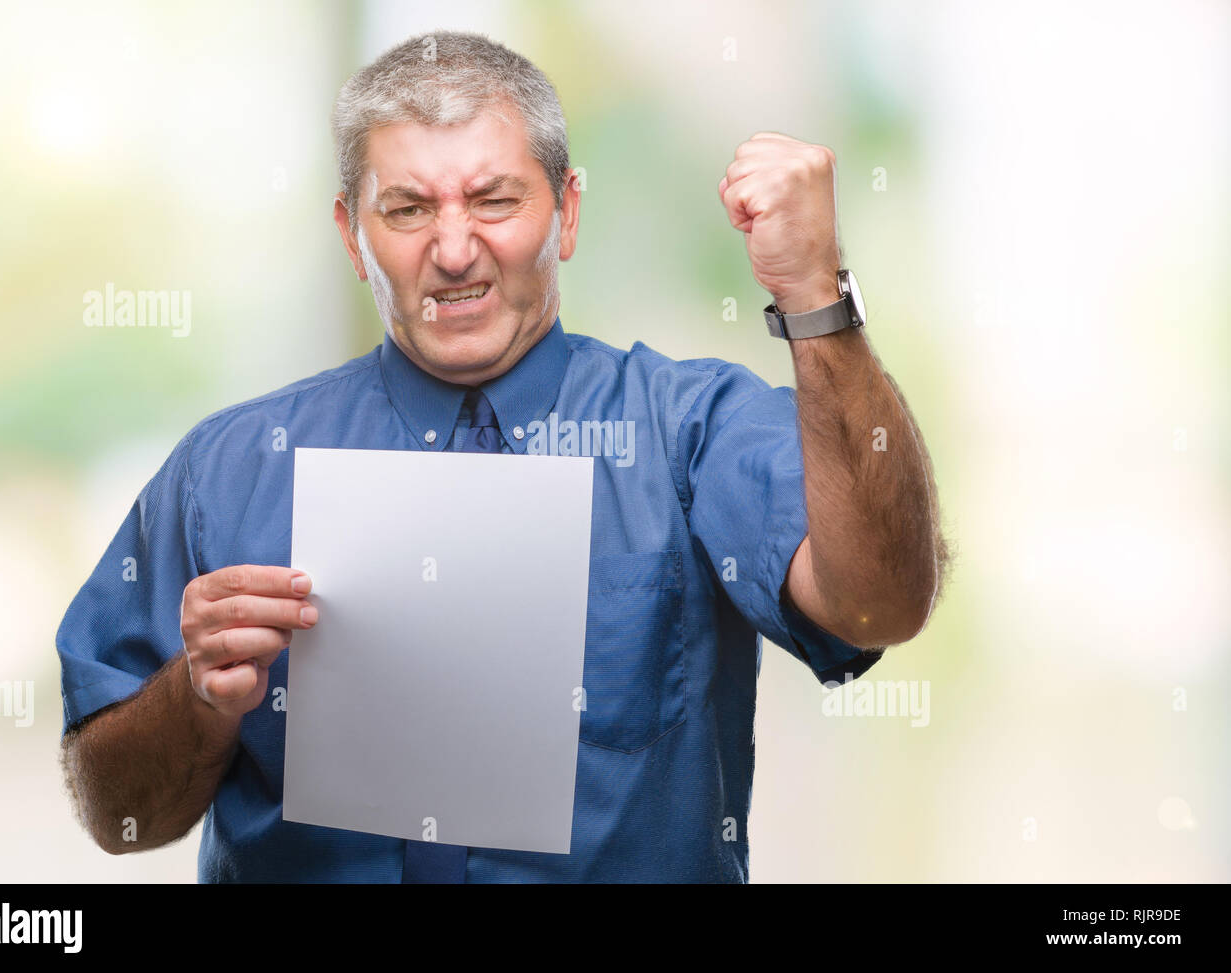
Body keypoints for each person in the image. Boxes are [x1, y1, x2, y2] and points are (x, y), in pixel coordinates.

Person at [57, 30, 948, 883]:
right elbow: (114, 813)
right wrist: (196, 697)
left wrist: (815, 297)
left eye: (494, 200)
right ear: (350, 233)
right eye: (407, 209)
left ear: (565, 214)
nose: (453, 250)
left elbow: (878, 605)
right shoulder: (228, 470)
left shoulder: (693, 429)